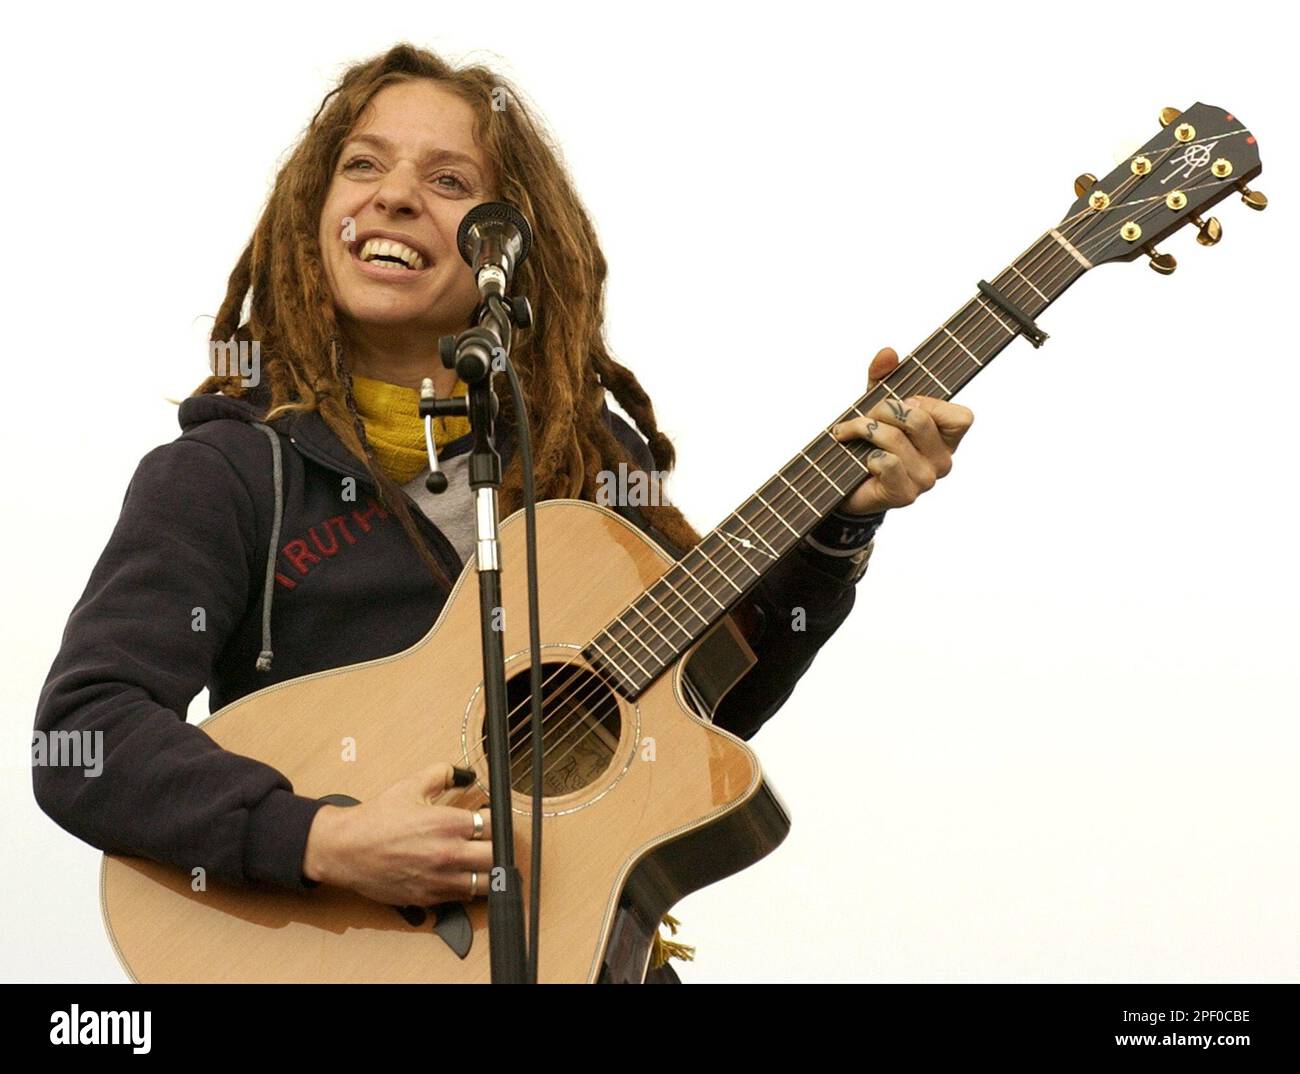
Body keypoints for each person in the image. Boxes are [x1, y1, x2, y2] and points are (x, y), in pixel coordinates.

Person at [31, 43, 973, 982]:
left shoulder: (586, 463)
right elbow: (87, 733)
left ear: (514, 250)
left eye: (448, 180)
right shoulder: (228, 472)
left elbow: (698, 719)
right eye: (363, 164)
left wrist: (837, 533)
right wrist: (325, 839)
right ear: (313, 215)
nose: (395, 195)